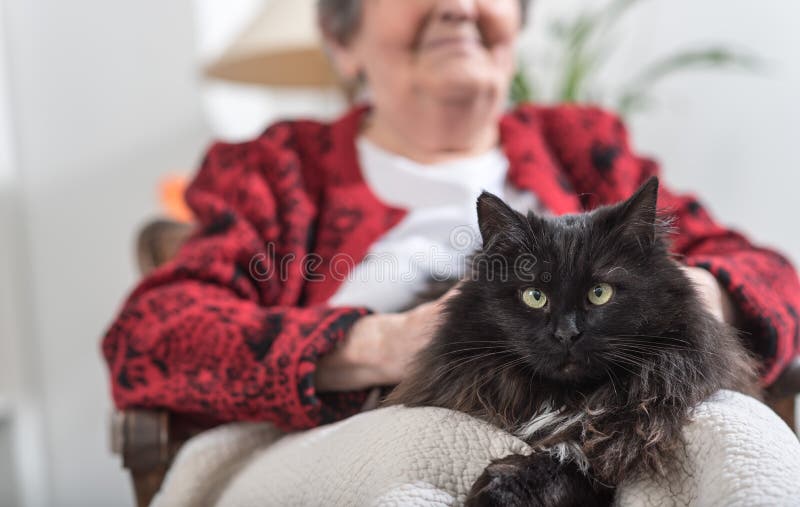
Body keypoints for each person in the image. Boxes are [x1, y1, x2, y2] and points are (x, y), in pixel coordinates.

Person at [102, 0, 800, 432]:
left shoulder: (583, 146)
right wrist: (381, 343)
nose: (460, 6)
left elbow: (774, 280)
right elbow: (150, 336)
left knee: (735, 446)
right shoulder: (280, 169)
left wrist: (680, 297)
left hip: (610, 425)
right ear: (342, 39)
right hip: (380, 435)